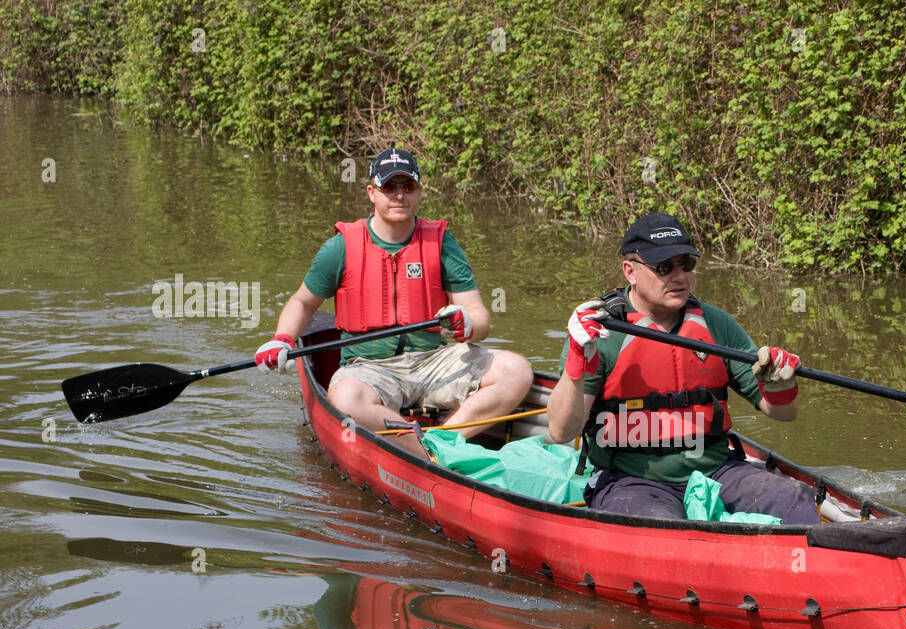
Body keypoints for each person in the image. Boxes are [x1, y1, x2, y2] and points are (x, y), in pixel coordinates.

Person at [254, 147, 533, 457]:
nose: (399, 195)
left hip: (434, 362)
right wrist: (281, 339)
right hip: (369, 369)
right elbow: (303, 302)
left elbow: (479, 316)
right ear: (372, 193)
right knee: (345, 400)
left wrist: (467, 326)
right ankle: (420, 451)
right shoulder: (340, 248)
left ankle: (443, 442)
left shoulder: (442, 243)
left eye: (407, 186)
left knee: (516, 370)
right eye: (389, 187)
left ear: (419, 192)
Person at [546, 212, 821, 524]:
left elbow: (784, 414)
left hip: (717, 470)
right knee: (661, 523)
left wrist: (780, 387)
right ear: (630, 271)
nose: (679, 277)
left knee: (793, 497)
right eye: (664, 267)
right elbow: (560, 432)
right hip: (631, 481)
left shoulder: (715, 323)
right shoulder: (599, 329)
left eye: (686, 265)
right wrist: (577, 361)